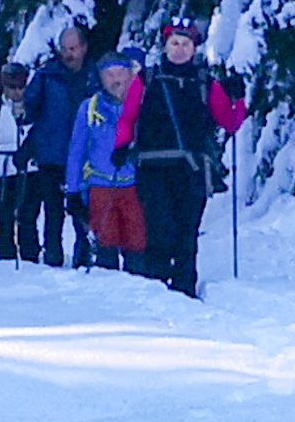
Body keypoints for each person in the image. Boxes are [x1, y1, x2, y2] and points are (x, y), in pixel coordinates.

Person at [127, 16, 246, 298]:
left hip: (190, 170)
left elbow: (229, 122)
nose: (179, 49)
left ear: (194, 48)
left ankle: (184, 290)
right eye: (174, 43)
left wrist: (238, 99)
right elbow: (129, 117)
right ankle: (157, 290)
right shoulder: (147, 80)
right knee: (158, 229)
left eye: (185, 44)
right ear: (165, 46)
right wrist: (121, 146)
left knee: (185, 232)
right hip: (152, 168)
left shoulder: (207, 83)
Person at [16, 18, 98, 267]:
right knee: (53, 212)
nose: (68, 54)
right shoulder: (47, 75)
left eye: (73, 49)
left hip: (85, 156)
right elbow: (30, 111)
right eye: (64, 49)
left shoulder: (95, 76)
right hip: (51, 154)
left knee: (82, 211)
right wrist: (21, 106)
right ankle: (53, 257)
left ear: (83, 47)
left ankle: (83, 259)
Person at [67, 45, 149, 271]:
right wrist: (73, 191)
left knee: (137, 242)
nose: (116, 80)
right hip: (100, 187)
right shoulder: (90, 108)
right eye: (109, 74)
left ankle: (140, 290)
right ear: (101, 78)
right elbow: (76, 152)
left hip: (135, 186)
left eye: (120, 73)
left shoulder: (145, 105)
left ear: (131, 74)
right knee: (106, 242)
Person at [0, 61, 47, 264]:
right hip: (0, 169)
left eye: (21, 86)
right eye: (12, 87)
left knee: (28, 217)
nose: (17, 92)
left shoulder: (35, 106)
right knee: (3, 217)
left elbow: (40, 133)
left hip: (29, 169)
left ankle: (30, 257)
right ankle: (6, 259)